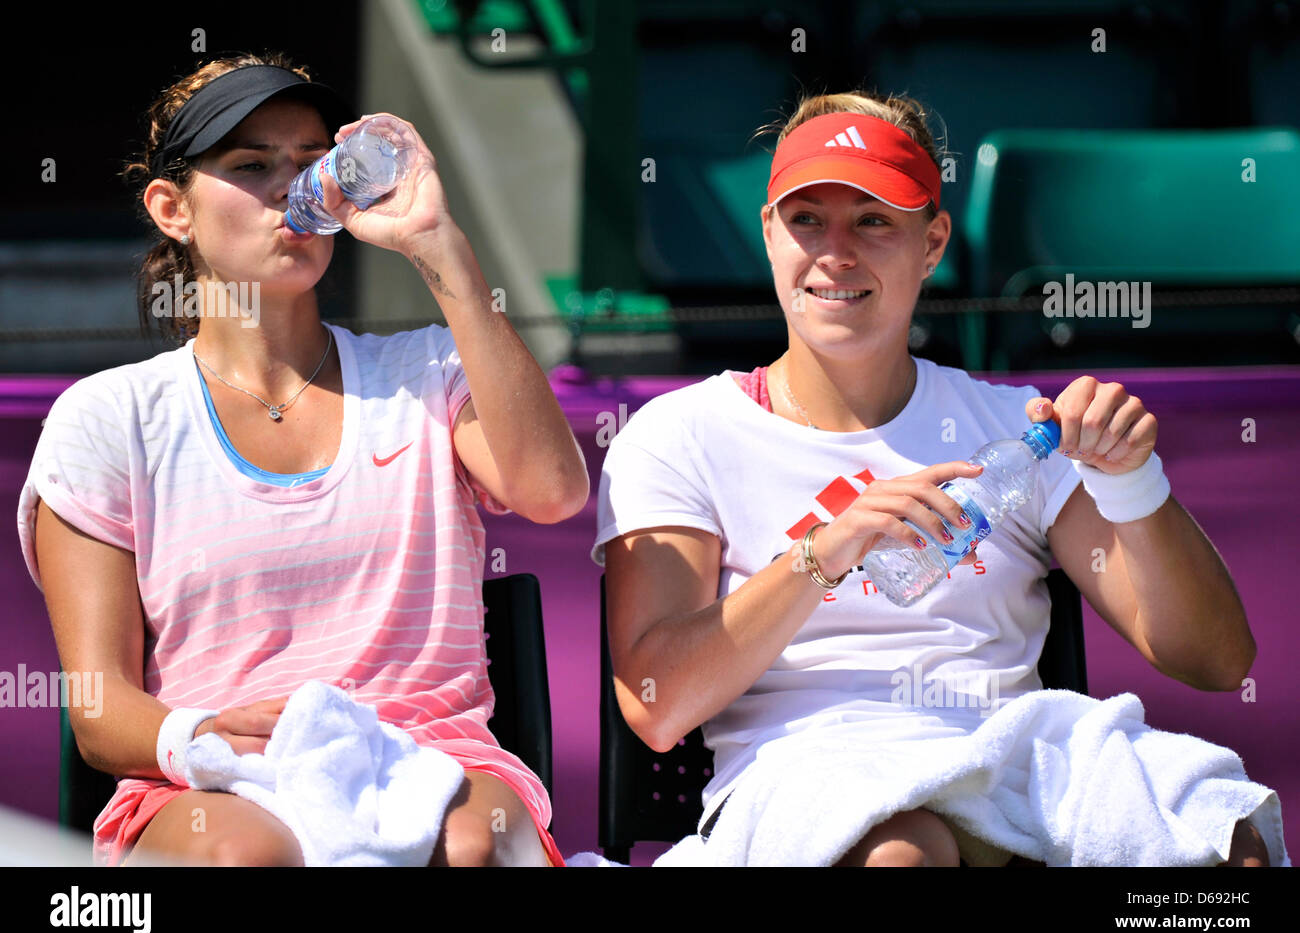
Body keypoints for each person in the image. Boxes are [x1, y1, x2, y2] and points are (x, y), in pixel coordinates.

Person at [593, 91, 1280, 866]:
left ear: (934, 241)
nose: (836, 252)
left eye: (875, 220)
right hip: (808, 774)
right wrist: (827, 551)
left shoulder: (1018, 426)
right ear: (768, 233)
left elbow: (1217, 661)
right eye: (807, 219)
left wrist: (1134, 482)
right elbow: (656, 706)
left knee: (1226, 849)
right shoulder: (680, 433)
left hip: (1016, 761)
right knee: (900, 855)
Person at [16, 53, 588, 866]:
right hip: (213, 783)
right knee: (244, 857)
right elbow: (101, 710)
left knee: (478, 851)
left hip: (436, 764)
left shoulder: (429, 369)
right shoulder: (108, 419)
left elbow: (554, 491)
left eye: (311, 162)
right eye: (251, 165)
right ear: (171, 208)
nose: (292, 187)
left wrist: (439, 247)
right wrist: (204, 737)